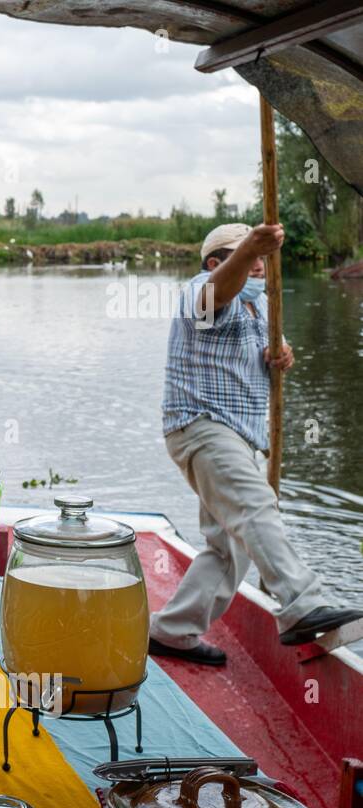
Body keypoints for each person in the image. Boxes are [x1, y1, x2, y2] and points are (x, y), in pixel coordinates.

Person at [149, 222, 362, 666]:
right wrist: (249, 248)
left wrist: (283, 355)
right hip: (202, 424)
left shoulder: (263, 307)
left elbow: (278, 351)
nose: (260, 265)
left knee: (228, 549)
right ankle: (303, 605)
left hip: (242, 436)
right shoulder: (202, 292)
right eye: (247, 256)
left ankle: (172, 631)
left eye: (263, 258)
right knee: (255, 508)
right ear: (215, 263)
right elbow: (214, 297)